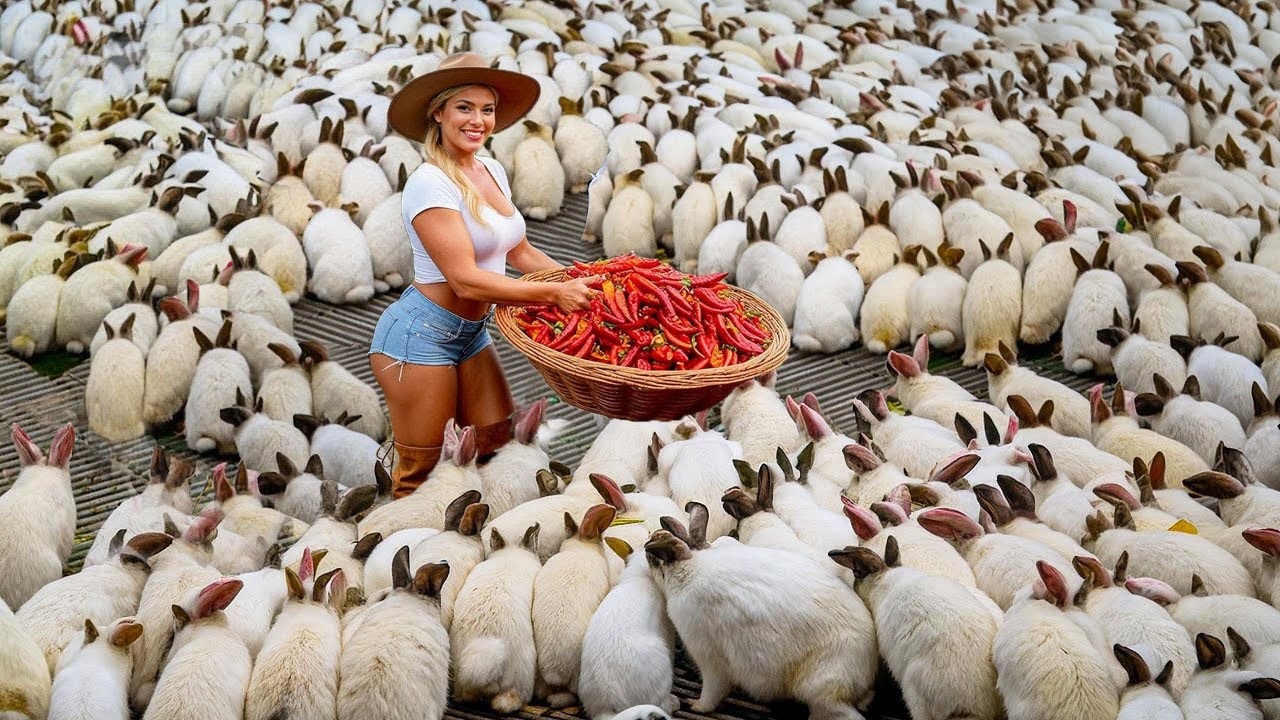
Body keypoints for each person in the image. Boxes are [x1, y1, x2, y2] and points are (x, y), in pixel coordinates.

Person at [372, 52, 595, 498]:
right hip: (419, 337)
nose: (478, 120)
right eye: (465, 108)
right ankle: (405, 554)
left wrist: (589, 281)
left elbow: (522, 252)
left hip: (472, 333)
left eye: (487, 110)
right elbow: (465, 281)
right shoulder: (429, 182)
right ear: (438, 112)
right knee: (424, 476)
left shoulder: (490, 169)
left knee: (497, 444)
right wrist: (555, 295)